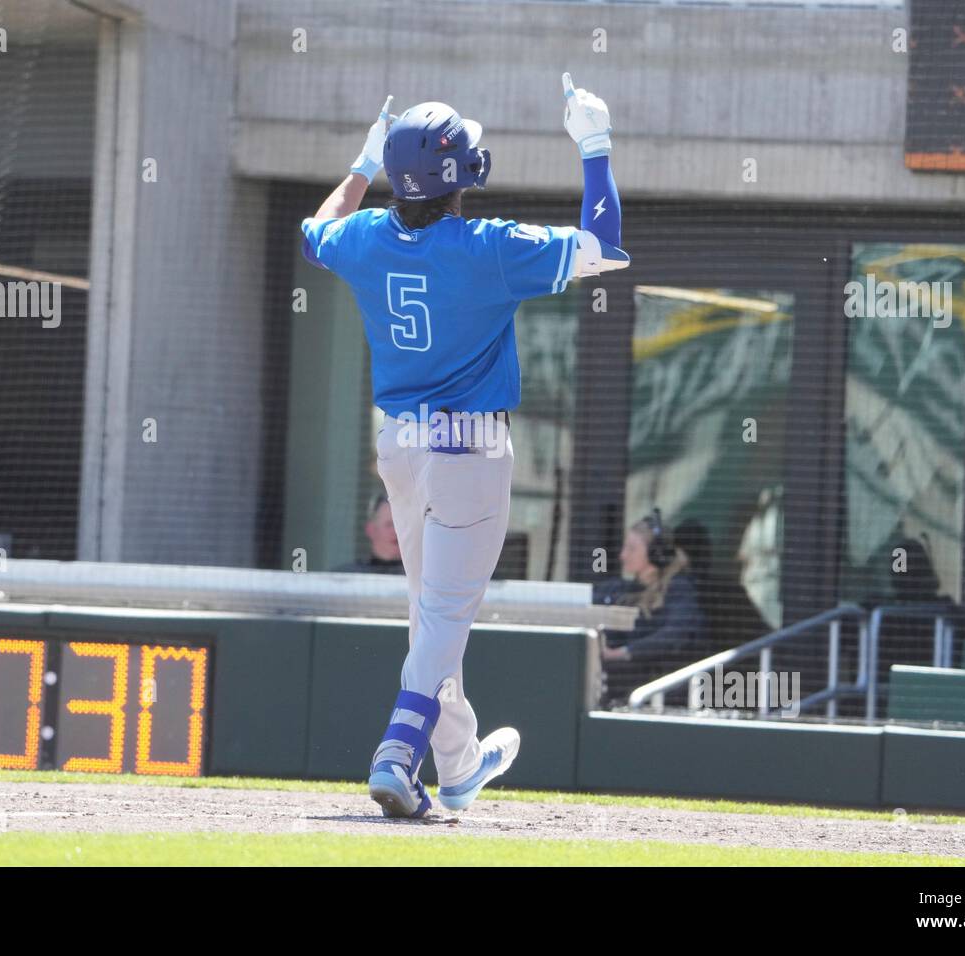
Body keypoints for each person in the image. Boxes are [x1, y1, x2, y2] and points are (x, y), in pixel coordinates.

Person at [301, 74, 630, 817]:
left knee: (429, 617)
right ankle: (397, 752)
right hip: (469, 451)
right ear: (459, 177)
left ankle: (456, 764)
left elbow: (312, 232)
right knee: (444, 618)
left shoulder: (363, 235)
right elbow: (604, 245)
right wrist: (596, 145)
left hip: (400, 452)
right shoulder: (487, 245)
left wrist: (360, 168)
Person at [596, 512, 710, 708]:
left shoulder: (679, 589)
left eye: (632, 549)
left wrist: (624, 652)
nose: (623, 555)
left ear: (655, 553)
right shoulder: (616, 589)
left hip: (658, 699)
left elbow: (677, 634)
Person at [332, 493, 404, 574]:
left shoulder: (419, 576)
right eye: (389, 525)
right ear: (371, 530)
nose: (396, 531)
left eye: (401, 526)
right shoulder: (346, 576)